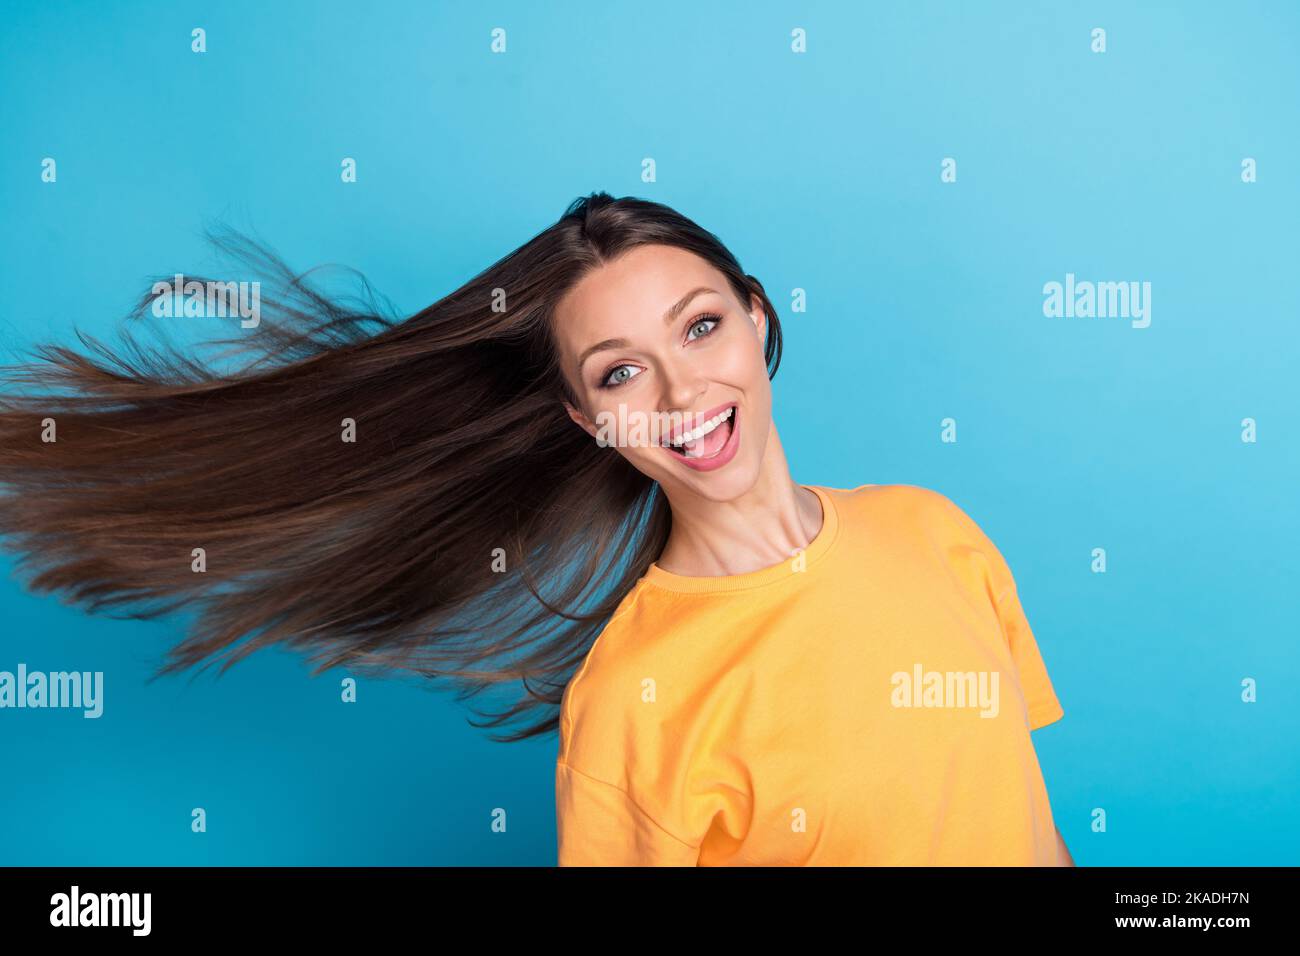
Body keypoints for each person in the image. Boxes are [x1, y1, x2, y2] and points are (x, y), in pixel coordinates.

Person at [0, 191, 1070, 866]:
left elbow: (1031, 831)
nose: (681, 388)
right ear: (585, 419)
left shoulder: (935, 533)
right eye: (619, 371)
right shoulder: (630, 702)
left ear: (756, 314)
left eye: (699, 325)